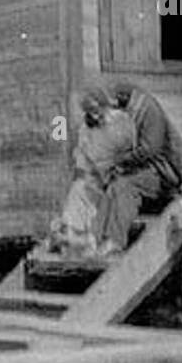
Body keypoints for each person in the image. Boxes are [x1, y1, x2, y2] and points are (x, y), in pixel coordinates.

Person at [100, 80, 182, 254]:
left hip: (165, 173)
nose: (117, 109)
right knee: (111, 186)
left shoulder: (149, 110)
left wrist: (121, 162)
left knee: (125, 186)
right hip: (151, 168)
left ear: (125, 98)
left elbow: (150, 149)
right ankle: (98, 239)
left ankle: (115, 242)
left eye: (117, 104)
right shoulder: (138, 110)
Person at [49, 85, 135, 254]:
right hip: (96, 178)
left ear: (104, 106)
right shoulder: (86, 130)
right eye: (90, 112)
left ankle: (88, 239)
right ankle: (72, 235)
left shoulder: (122, 122)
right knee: (78, 190)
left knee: (111, 192)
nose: (94, 115)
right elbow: (83, 161)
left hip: (118, 176)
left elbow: (130, 153)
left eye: (97, 110)